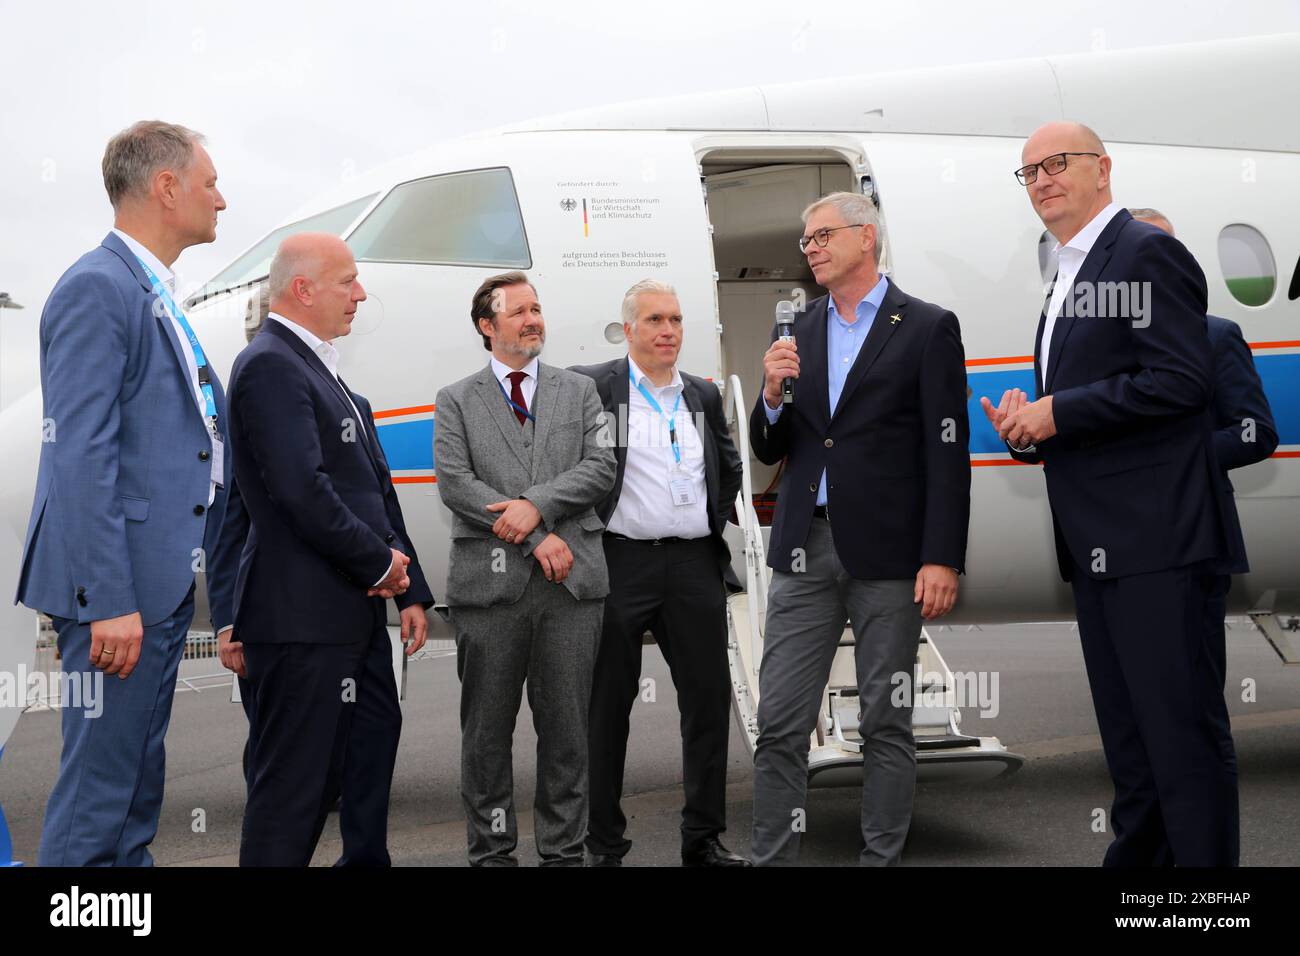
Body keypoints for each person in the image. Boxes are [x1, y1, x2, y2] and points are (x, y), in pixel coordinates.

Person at [982, 123, 1237, 866]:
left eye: (1059, 163)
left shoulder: (1143, 251)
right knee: (1131, 746)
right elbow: (1105, 399)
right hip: (1098, 545)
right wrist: (1030, 428)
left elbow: (1182, 383)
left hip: (1159, 541)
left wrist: (1059, 410)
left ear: (1104, 169)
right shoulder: (1068, 271)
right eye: (1029, 171)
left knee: (1181, 740)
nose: (1043, 179)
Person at [15, 121, 231, 866]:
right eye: (209, 184)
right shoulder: (97, 287)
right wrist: (108, 598)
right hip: (119, 592)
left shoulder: (153, 291)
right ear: (166, 188)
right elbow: (78, 453)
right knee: (99, 797)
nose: (222, 200)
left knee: (136, 789)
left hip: (154, 587)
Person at [750, 192, 971, 866]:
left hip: (891, 554)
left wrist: (941, 557)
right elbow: (770, 447)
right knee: (780, 723)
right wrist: (769, 395)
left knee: (885, 722)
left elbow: (947, 451)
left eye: (821, 236)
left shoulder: (927, 326)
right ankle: (774, 858)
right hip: (804, 546)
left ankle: (881, 859)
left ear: (865, 237)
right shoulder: (794, 327)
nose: (810, 248)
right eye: (805, 240)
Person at [209, 233, 433, 867]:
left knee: (367, 759)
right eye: (348, 282)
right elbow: (299, 492)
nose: (360, 294)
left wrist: (405, 584)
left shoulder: (325, 375)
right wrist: (379, 563)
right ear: (303, 289)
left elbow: (369, 497)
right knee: (294, 794)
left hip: (350, 620)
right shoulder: (270, 364)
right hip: (303, 625)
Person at [435, 271, 616, 866]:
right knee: (487, 736)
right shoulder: (455, 400)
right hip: (490, 594)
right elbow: (458, 486)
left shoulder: (581, 392)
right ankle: (492, 854)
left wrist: (535, 505)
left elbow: (600, 469)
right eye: (518, 312)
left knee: (566, 734)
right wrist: (537, 536)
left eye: (537, 309)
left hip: (572, 591)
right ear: (487, 326)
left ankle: (564, 853)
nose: (533, 319)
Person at [571, 279, 748, 867]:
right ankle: (603, 845)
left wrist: (702, 523)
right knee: (607, 706)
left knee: (707, 702)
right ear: (629, 330)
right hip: (621, 563)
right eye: (654, 321)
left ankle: (703, 842)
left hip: (694, 564)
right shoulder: (593, 388)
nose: (668, 331)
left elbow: (727, 471)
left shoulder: (701, 394)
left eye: (675, 320)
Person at [1128, 205, 1278, 740]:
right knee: (1130, 696)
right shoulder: (1100, 346)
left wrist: (1171, 458)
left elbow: (1255, 432)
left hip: (1193, 538)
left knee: (1193, 697)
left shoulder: (1216, 336)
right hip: (1118, 548)